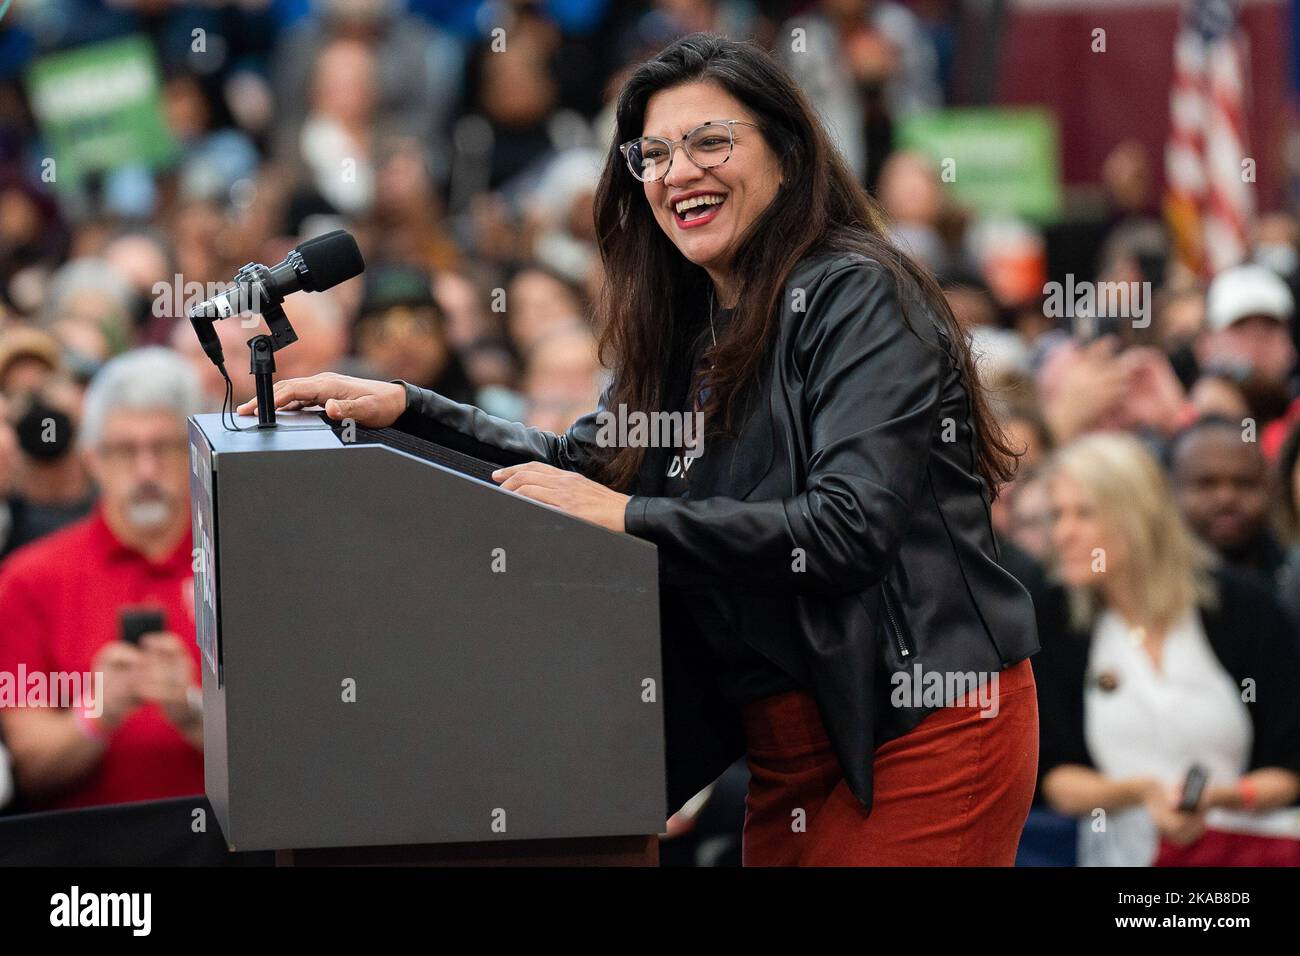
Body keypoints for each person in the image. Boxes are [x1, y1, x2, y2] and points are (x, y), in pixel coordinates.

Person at [240, 33, 1039, 866]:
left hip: (919, 722)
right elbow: (589, 468)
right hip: (787, 747)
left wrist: (630, 518)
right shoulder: (685, 320)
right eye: (652, 154)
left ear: (790, 157)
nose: (678, 172)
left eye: (710, 142)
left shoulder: (860, 292)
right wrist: (411, 413)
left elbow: (844, 529)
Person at [1033, 433, 1300, 866]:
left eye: (1084, 514)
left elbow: (1290, 766)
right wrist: (1138, 792)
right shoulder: (1053, 619)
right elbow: (1053, 777)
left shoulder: (1244, 608)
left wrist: (1221, 798)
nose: (1063, 532)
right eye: (1057, 514)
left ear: (1137, 516)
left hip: (1247, 852)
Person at [0, 348, 204, 811]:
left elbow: (288, 748)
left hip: (228, 843)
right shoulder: (28, 579)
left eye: (165, 446)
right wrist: (98, 714)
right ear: (92, 458)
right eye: (126, 450)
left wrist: (194, 715)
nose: (147, 470)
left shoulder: (240, 565)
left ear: (195, 454)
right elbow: (28, 762)